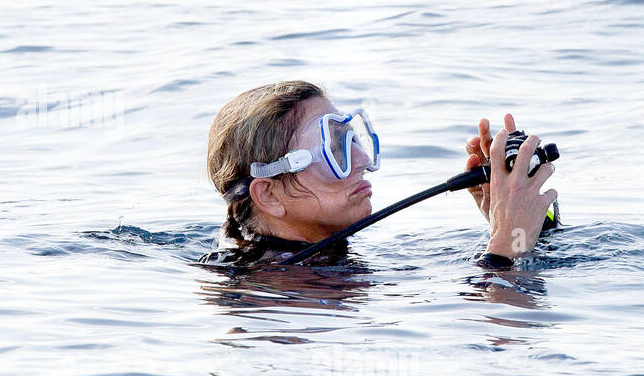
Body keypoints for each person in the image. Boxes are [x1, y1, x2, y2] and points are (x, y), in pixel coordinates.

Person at [201, 80, 558, 269]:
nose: (360, 160)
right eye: (334, 150)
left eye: (352, 139)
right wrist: (505, 250)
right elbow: (499, 343)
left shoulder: (320, 262)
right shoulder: (277, 293)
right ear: (269, 196)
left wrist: (523, 224)